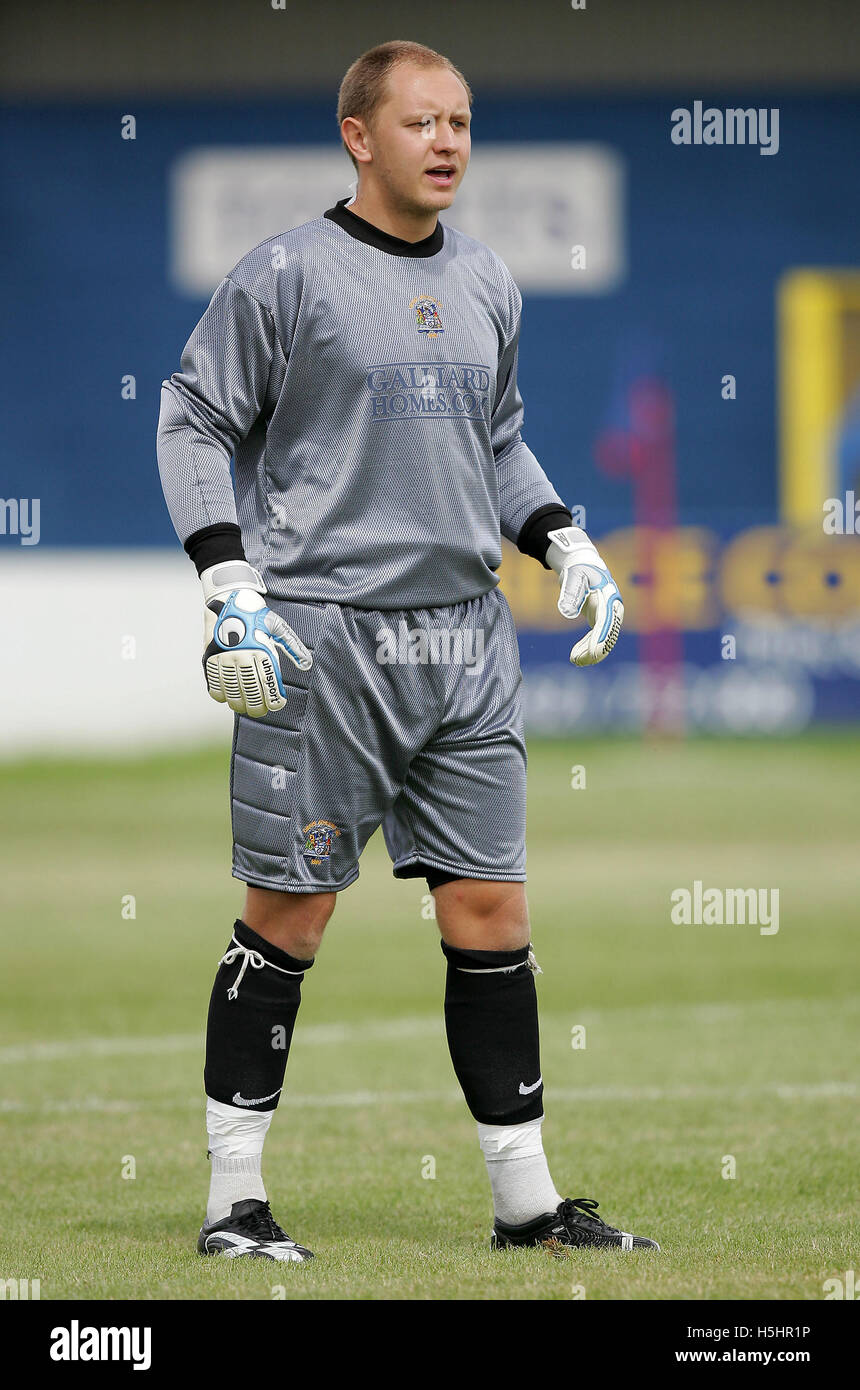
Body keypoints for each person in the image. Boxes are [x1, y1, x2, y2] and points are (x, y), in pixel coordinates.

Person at [156, 38, 657, 1262]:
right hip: (324, 642)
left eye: (461, 122)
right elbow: (192, 417)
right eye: (421, 121)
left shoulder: (486, 279)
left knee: (490, 909)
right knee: (289, 913)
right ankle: (233, 1205)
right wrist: (226, 578)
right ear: (357, 136)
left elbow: (499, 441)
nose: (445, 142)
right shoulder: (284, 275)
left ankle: (525, 1206)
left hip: (466, 641)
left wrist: (561, 538)